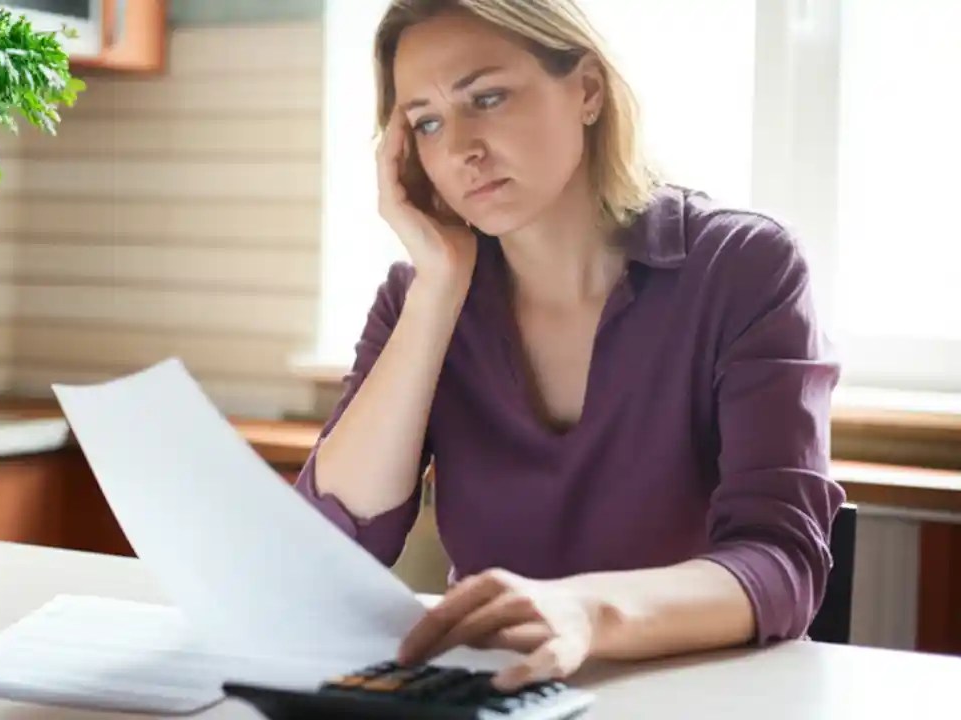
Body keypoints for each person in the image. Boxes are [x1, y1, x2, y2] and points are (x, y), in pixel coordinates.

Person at [293, 0, 846, 691]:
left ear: (586, 89)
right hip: (502, 696)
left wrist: (584, 611)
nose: (462, 148)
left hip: (700, 692)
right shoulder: (419, 300)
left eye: (487, 98)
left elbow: (782, 562)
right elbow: (334, 549)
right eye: (427, 123)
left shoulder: (744, 266)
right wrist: (437, 290)